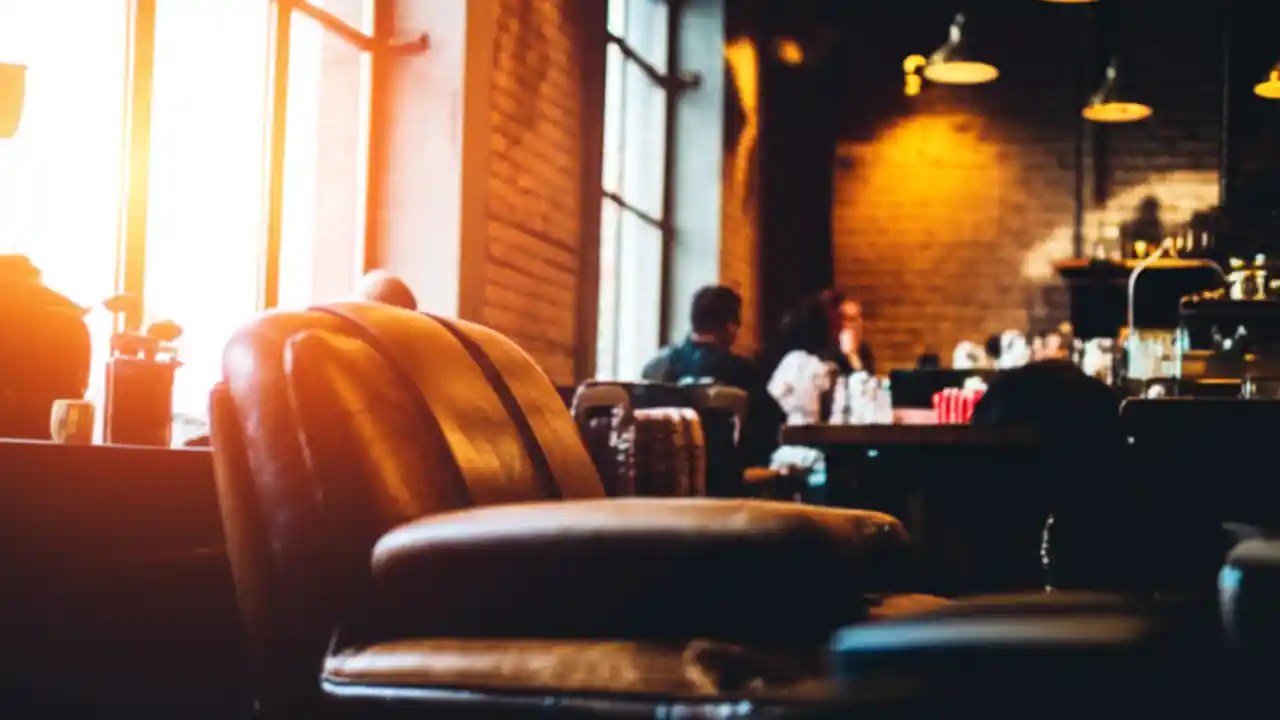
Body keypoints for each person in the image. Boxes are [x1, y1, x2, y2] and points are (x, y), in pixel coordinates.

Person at [642, 285, 780, 467]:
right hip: (725, 481)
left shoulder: (656, 367)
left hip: (663, 474)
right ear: (731, 326)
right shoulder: (743, 372)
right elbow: (770, 427)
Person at [765, 293, 843, 484]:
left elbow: (772, 399)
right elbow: (836, 415)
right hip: (813, 450)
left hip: (781, 448)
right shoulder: (823, 368)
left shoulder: (788, 360)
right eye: (837, 323)